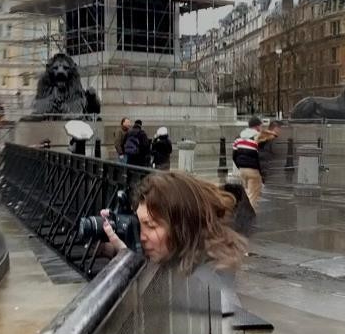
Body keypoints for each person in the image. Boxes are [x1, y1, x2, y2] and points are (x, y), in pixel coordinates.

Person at [100, 170, 247, 276]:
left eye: (151, 226)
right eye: (139, 224)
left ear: (183, 226)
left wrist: (129, 266)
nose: (142, 236)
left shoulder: (207, 281)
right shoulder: (196, 262)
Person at [232, 117, 277, 210]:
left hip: (242, 170)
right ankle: (249, 215)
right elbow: (261, 158)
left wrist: (240, 167)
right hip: (253, 170)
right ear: (257, 126)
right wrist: (262, 174)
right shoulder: (259, 137)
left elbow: (234, 155)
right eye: (260, 126)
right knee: (253, 196)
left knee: (246, 193)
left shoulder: (239, 137)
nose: (261, 128)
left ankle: (241, 211)